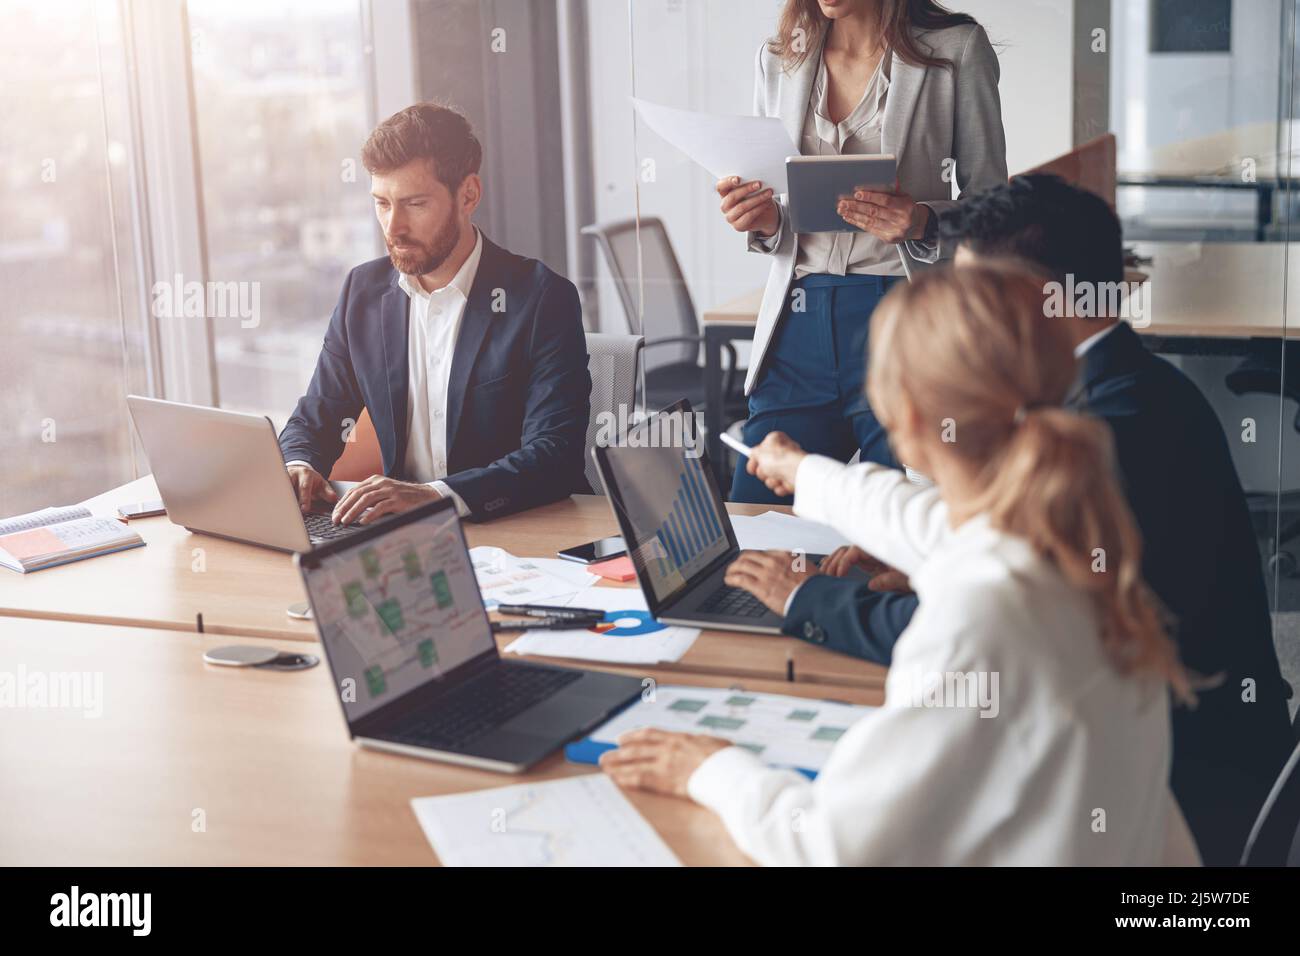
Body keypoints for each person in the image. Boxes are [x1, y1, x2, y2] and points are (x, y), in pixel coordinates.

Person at [726, 174, 1295, 865]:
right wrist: (820, 482)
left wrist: (809, 600)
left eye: (970, 301)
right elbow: (992, 550)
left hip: (1190, 795)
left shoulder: (1116, 431)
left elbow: (987, 623)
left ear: (1027, 304)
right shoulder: (1119, 396)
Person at [601, 266, 1199, 865]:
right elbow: (926, 522)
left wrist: (709, 767)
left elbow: (831, 849)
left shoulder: (982, 613)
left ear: (905, 416)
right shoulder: (1065, 531)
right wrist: (804, 470)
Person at [719, 0, 1006, 503]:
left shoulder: (957, 49)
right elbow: (782, 205)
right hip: (798, 322)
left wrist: (922, 220)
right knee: (755, 517)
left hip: (904, 323)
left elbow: (995, 210)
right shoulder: (779, 57)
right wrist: (763, 221)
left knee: (895, 529)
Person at [278, 102, 591, 524]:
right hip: (406, 542)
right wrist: (299, 462)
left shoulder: (540, 299)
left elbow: (554, 457)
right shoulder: (362, 294)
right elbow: (316, 417)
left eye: (414, 204)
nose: (393, 228)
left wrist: (436, 496)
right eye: (382, 204)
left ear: (468, 195)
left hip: (519, 533)